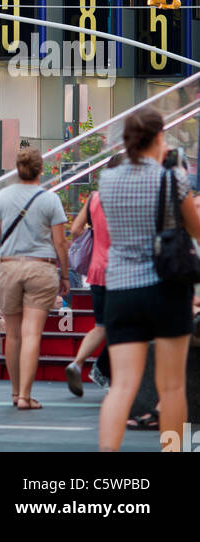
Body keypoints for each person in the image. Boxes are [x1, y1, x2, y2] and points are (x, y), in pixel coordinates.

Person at [98, 108, 200, 452]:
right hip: (166, 288)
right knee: (171, 387)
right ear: (159, 138)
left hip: (121, 290)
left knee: (122, 385)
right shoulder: (172, 179)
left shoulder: (107, 180)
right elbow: (194, 228)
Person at [0, 147, 69, 409]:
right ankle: (26, 395)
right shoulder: (50, 200)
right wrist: (65, 275)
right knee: (32, 333)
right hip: (40, 268)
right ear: (40, 170)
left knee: (12, 334)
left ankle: (14, 393)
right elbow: (60, 243)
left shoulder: (2, 197)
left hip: (9, 267)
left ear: (17, 168)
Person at [65, 157, 121, 397]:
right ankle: (109, 375)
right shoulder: (128, 198)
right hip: (122, 272)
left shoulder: (95, 198)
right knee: (121, 326)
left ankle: (77, 363)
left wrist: (96, 232)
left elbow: (76, 230)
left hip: (97, 272)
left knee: (101, 325)